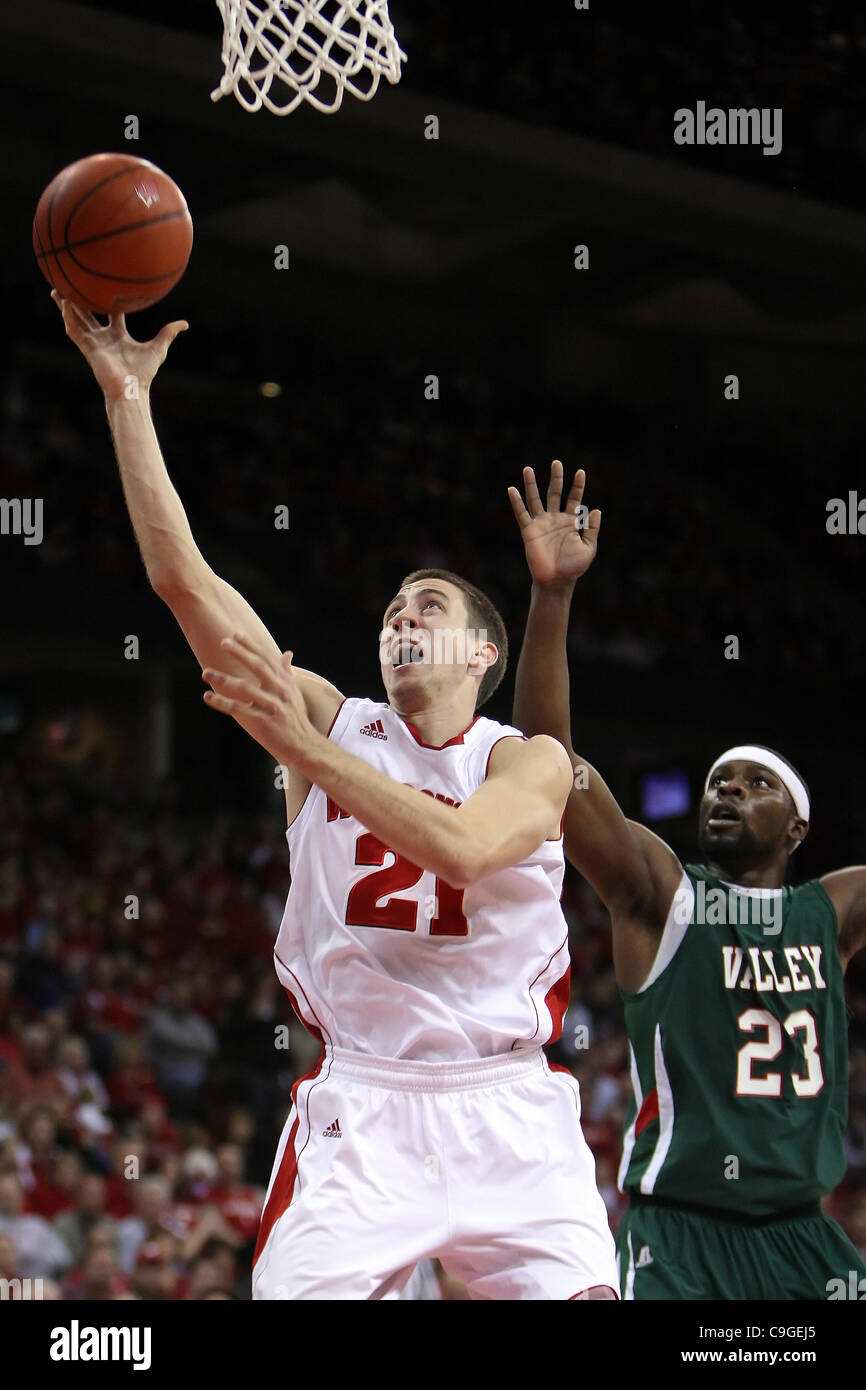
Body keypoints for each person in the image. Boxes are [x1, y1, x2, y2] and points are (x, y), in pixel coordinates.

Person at [53, 296, 617, 1301]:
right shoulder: (327, 719)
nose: (401, 616)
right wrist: (126, 396)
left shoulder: (523, 759)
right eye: (393, 607)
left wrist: (301, 746)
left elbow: (465, 850)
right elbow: (183, 580)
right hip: (364, 1105)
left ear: (482, 652)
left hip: (510, 1112)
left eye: (428, 606)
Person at [509, 459, 866, 1300]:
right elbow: (547, 762)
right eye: (718, 781)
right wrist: (553, 597)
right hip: (682, 1238)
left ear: (799, 826)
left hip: (809, 1238)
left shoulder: (834, 907)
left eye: (755, 783)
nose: (728, 791)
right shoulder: (663, 893)